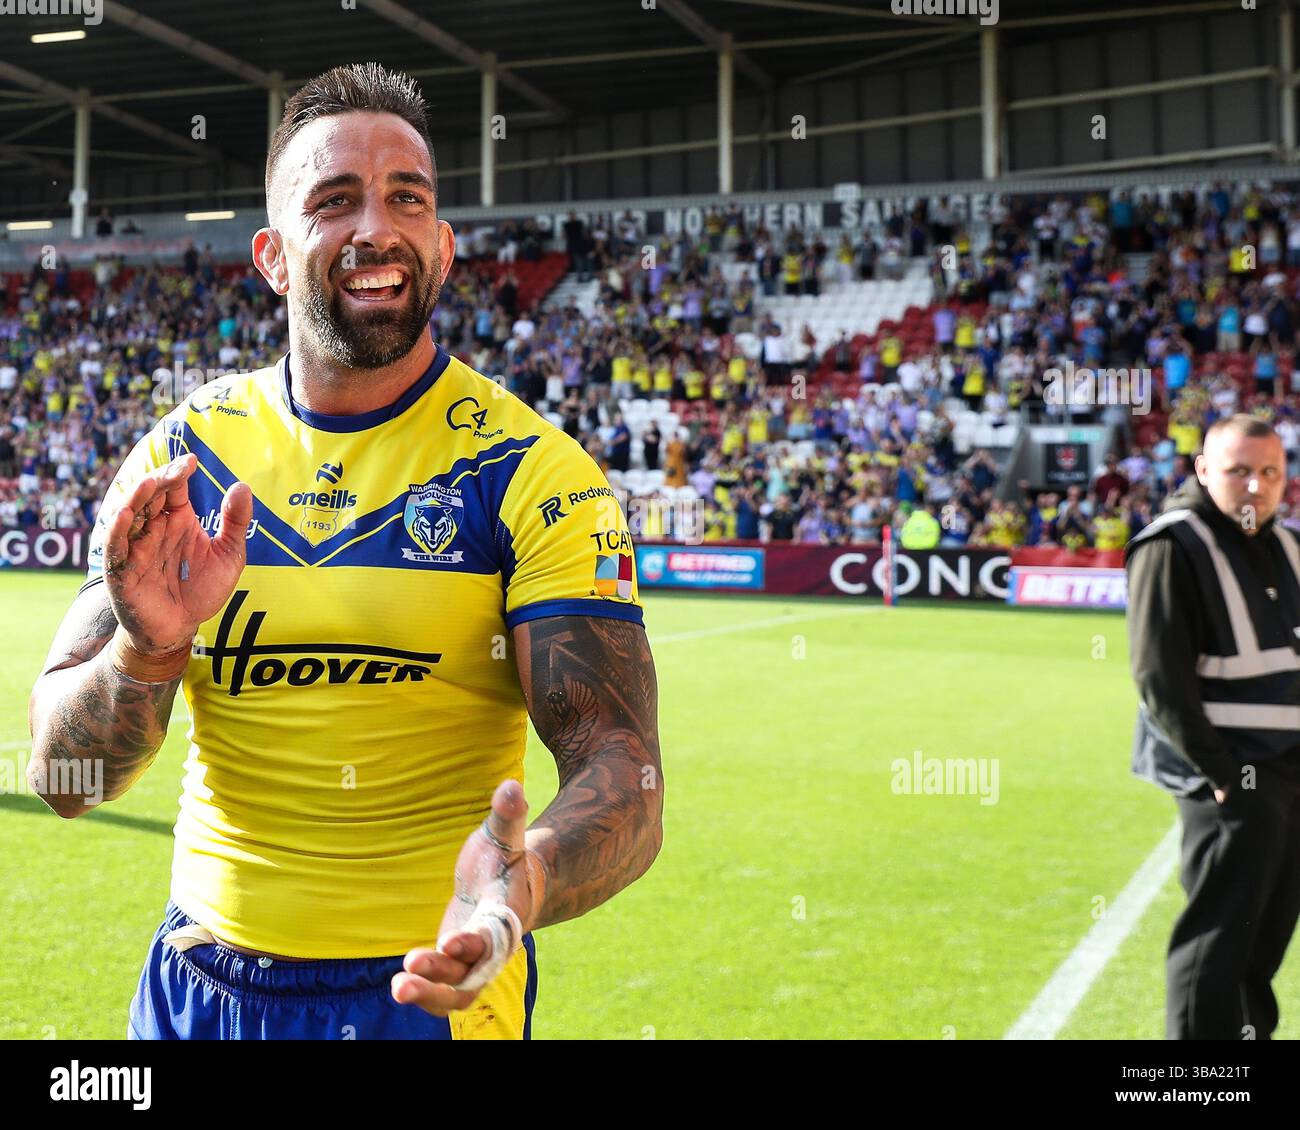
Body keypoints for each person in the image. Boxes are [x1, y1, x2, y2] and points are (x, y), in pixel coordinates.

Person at [25, 63, 663, 1042]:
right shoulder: (179, 462)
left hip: (425, 991)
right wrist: (146, 652)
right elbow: (61, 781)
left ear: (442, 248)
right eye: (335, 200)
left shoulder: (535, 471)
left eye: (407, 196)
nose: (377, 225)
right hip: (198, 990)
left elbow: (621, 764)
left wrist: (516, 886)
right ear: (274, 256)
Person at [1125, 414, 1300, 1040]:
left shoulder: (1286, 546)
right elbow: (1158, 676)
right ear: (1203, 469)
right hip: (1229, 776)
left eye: (1271, 472)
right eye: (1240, 471)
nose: (1258, 486)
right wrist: (1220, 772)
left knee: (1263, 941)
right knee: (1218, 940)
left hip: (1288, 773)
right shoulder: (1173, 545)